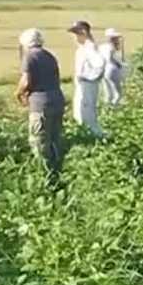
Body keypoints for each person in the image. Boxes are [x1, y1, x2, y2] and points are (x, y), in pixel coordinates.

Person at [14, 28, 66, 180]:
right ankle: (59, 171)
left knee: (39, 142)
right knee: (54, 139)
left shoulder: (29, 57)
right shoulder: (50, 56)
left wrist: (17, 93)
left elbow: (26, 81)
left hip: (40, 104)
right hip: (57, 100)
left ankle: (44, 176)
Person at [68, 20, 106, 138]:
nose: (75, 37)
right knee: (82, 112)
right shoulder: (84, 47)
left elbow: (99, 63)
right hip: (85, 84)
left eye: (76, 34)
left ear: (83, 32)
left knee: (85, 114)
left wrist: (88, 77)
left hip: (87, 85)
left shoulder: (89, 47)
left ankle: (94, 137)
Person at [99, 28, 126, 107]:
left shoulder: (102, 47)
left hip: (104, 71)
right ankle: (114, 108)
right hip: (112, 70)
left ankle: (107, 109)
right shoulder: (111, 47)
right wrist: (119, 64)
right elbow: (110, 58)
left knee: (108, 93)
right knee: (118, 93)